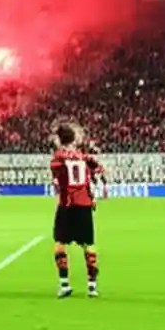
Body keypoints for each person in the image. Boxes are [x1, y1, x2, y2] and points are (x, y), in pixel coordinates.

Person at [49, 123, 103, 298]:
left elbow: (56, 176)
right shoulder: (84, 157)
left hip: (67, 205)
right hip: (85, 204)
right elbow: (99, 169)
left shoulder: (58, 157)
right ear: (74, 138)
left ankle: (64, 284)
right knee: (89, 244)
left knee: (59, 243)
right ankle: (92, 286)